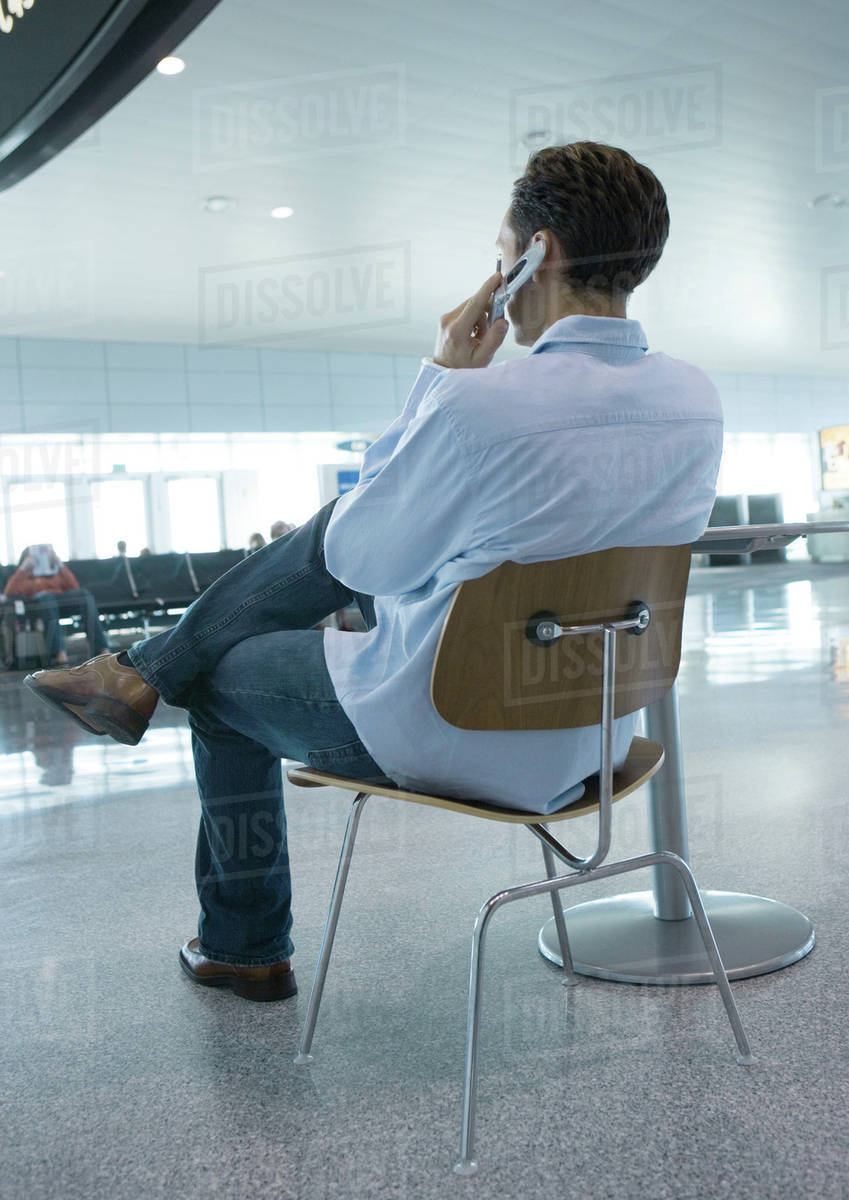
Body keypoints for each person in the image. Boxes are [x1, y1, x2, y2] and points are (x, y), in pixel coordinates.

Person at [22, 142, 722, 1002]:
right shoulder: (695, 397)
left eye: (499, 252)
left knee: (221, 679)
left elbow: (355, 559)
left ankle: (240, 936)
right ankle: (141, 672)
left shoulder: (482, 403)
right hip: (597, 728)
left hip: (455, 724)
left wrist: (439, 378)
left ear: (535, 253)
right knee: (335, 564)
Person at [6, 544, 111, 666]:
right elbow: (9, 592)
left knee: (85, 595)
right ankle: (59, 651)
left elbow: (74, 587)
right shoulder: (24, 577)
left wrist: (58, 563)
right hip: (41, 605)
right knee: (46, 596)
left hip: (62, 602)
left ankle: (102, 648)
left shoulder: (55, 572)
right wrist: (24, 567)